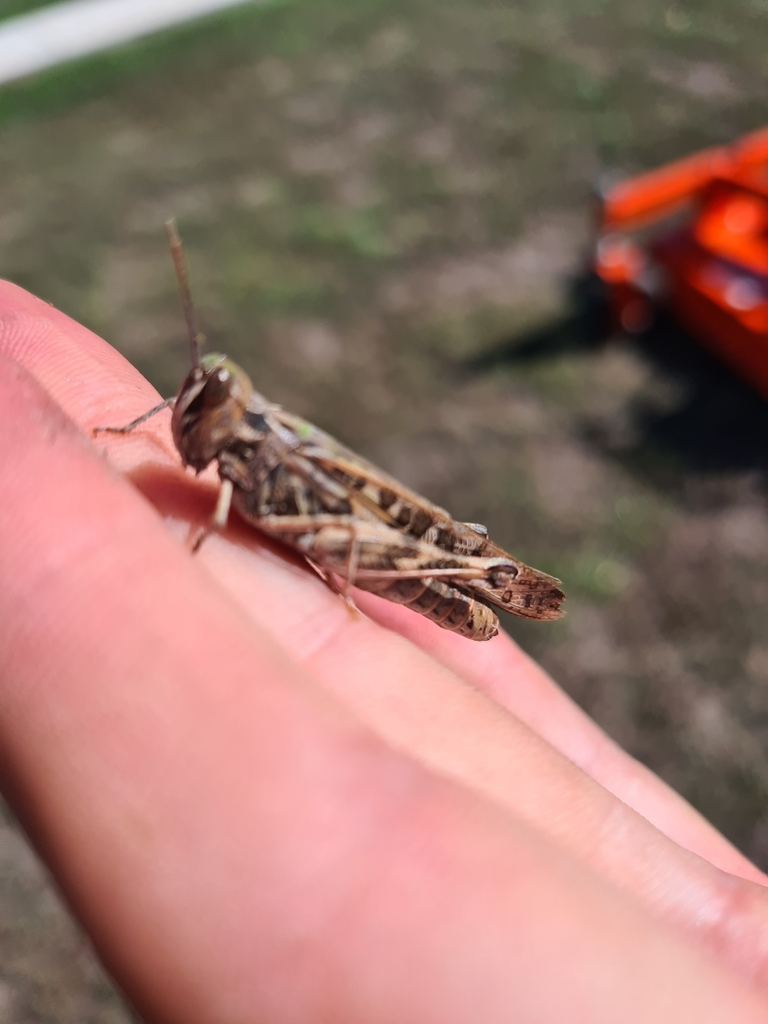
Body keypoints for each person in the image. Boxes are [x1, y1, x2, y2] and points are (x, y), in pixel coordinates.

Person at [1, 279, 768, 1023]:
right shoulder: (227, 433)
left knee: (438, 546)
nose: (188, 408)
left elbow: (296, 512)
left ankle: (486, 570)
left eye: (209, 397)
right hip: (336, 533)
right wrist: (129, 430)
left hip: (371, 540)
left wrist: (206, 544)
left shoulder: (265, 450)